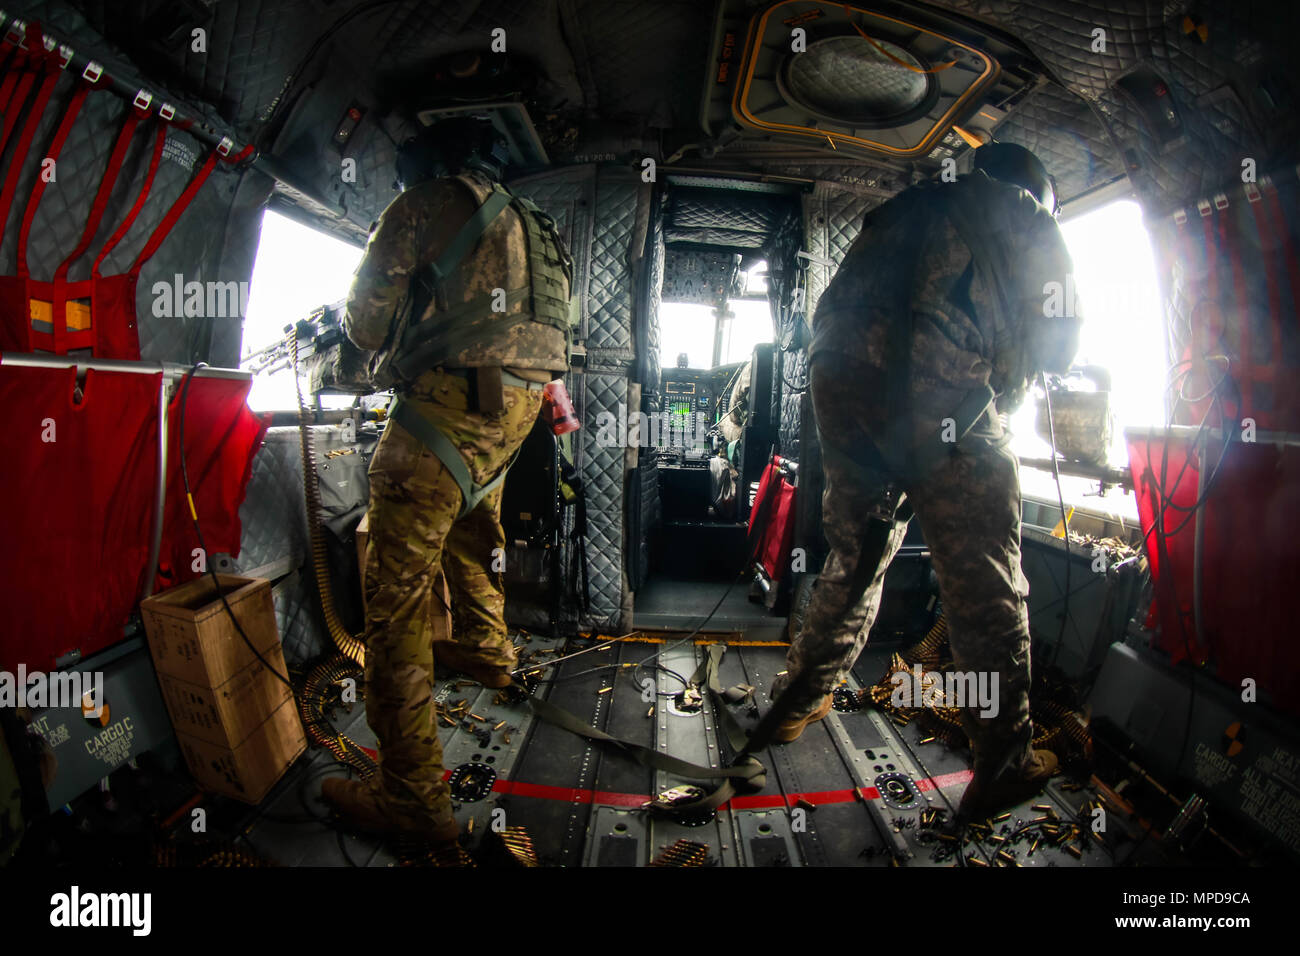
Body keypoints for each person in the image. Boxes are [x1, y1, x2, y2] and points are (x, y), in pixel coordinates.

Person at [768, 142, 1083, 821]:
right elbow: (1061, 342)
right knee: (984, 584)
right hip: (944, 400)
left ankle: (795, 703)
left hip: (839, 385)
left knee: (855, 557)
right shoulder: (1021, 209)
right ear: (1034, 187)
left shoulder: (904, 206)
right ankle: (1004, 761)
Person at [321, 117, 572, 843]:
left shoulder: (426, 203)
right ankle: (489, 649)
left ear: (424, 167)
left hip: (445, 413)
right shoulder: (535, 223)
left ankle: (411, 798)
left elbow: (367, 325)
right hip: (514, 415)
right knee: (474, 530)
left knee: (394, 605)